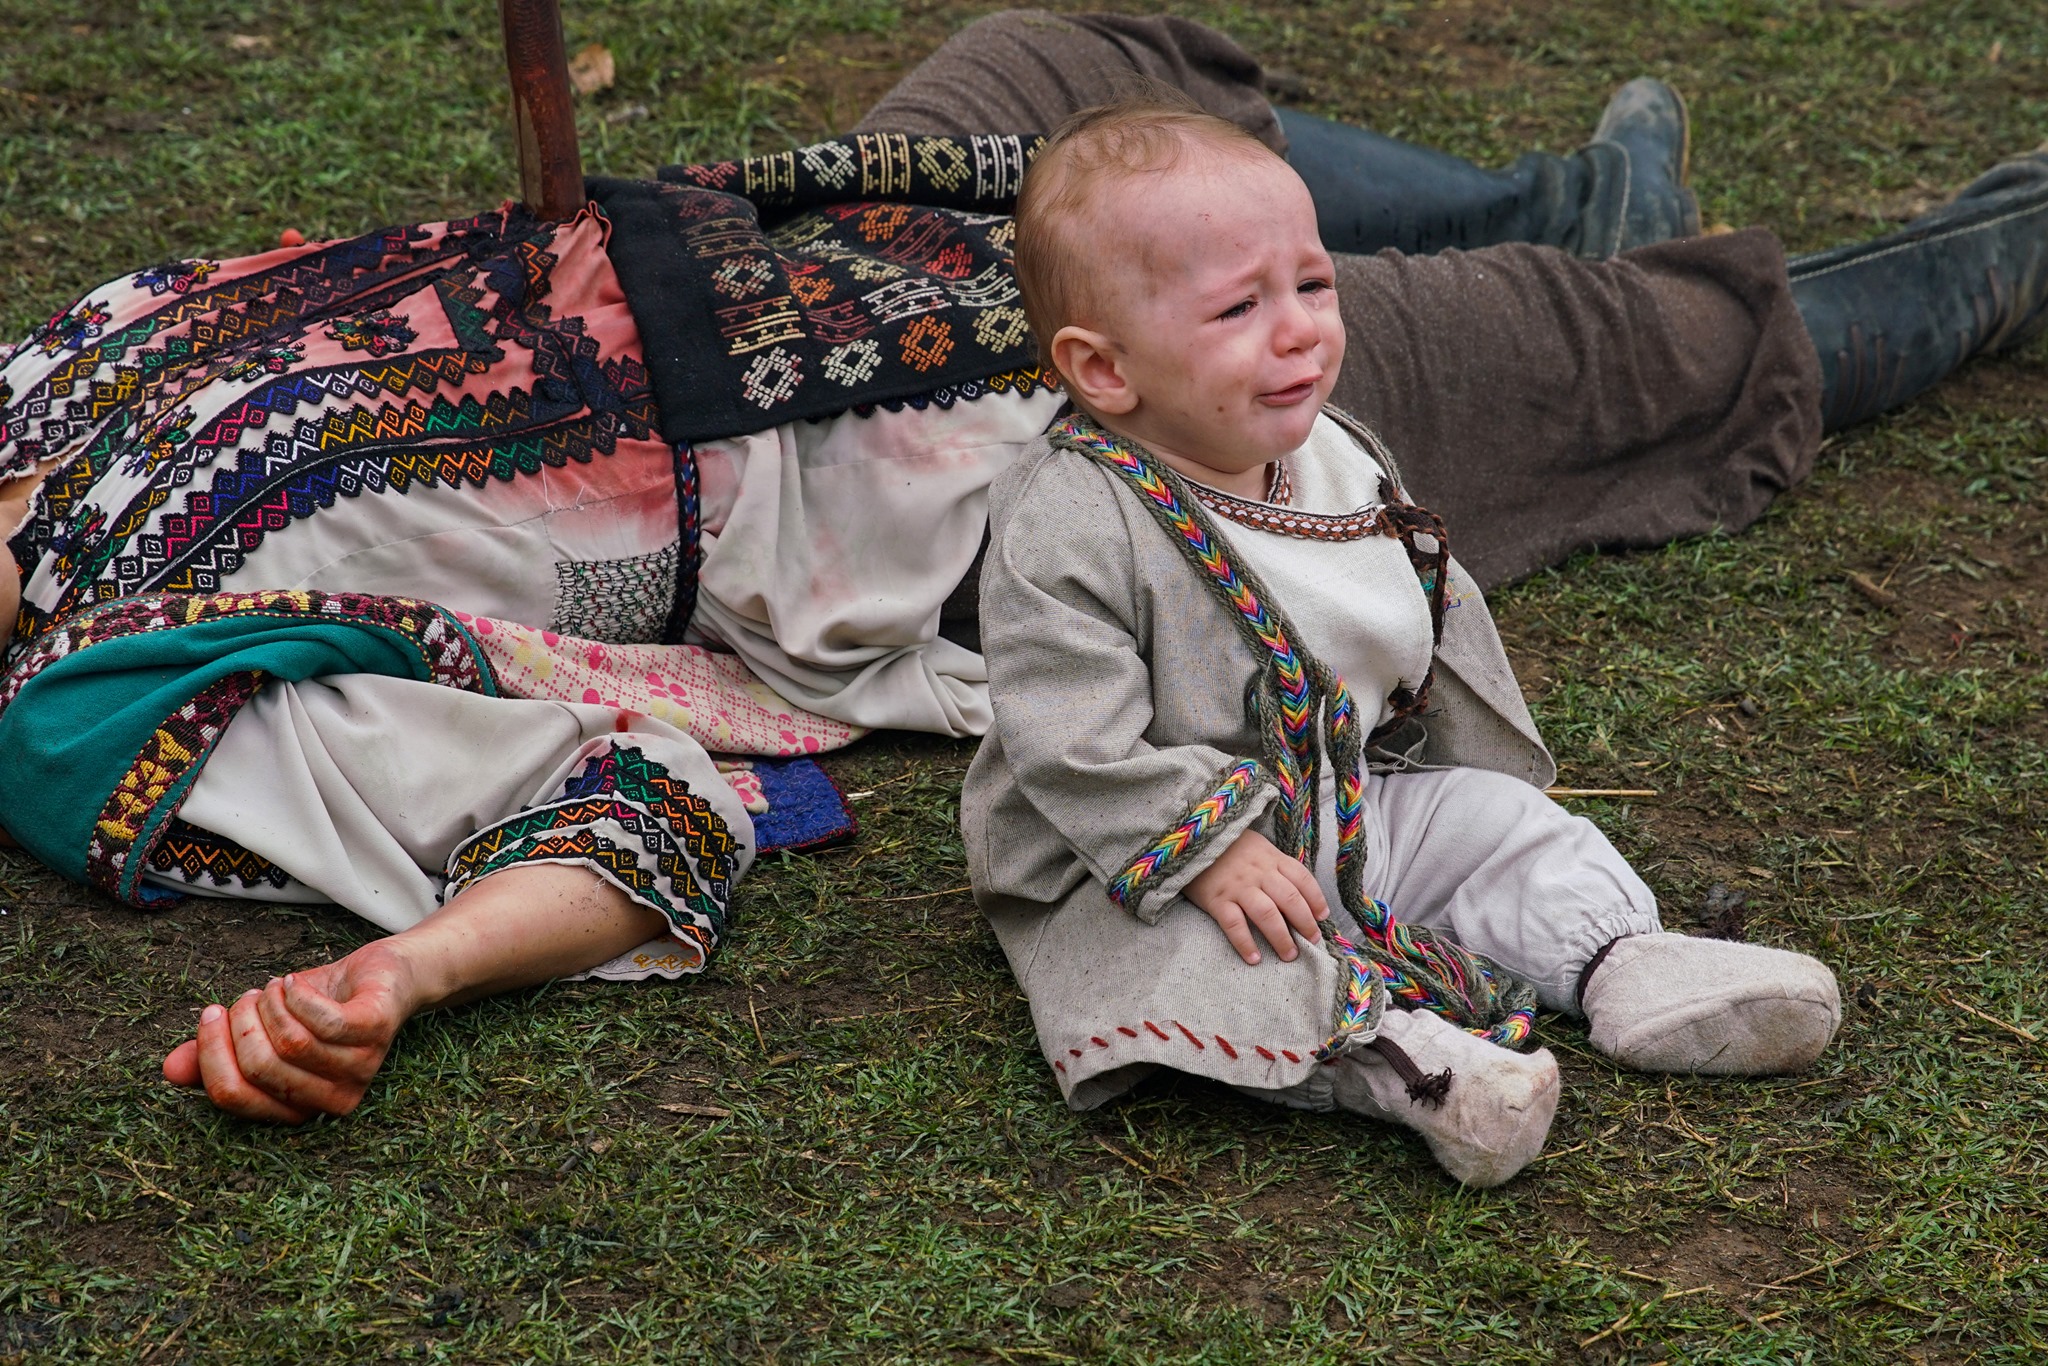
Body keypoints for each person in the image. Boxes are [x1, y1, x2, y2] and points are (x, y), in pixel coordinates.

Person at [0, 10, 2040, 1125]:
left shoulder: (39, 382)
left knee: (1071, 46)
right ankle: (1948, 238)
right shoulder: (124, 686)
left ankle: (1559, 200)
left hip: (833, 240)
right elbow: (633, 812)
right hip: (1047, 451)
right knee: (1632, 359)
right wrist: (409, 969)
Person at [961, 97, 1844, 1187]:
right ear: (1104, 370)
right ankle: (1403, 1065)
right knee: (1175, 960)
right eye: (1238, 306)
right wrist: (1202, 847)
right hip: (1134, 853)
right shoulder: (1070, 517)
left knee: (1501, 827)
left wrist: (1430, 735)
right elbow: (1063, 735)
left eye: (1312, 284)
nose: (1298, 329)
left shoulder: (1335, 449)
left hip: (1341, 803)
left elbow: (1430, 599)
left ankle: (1624, 961)